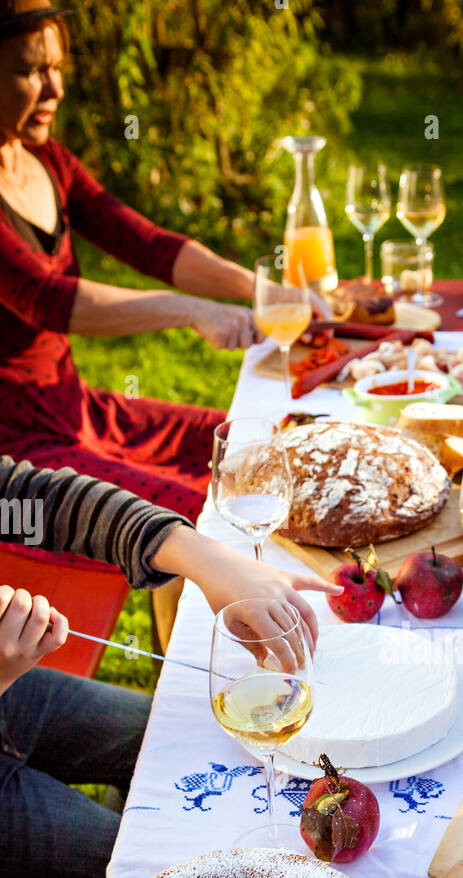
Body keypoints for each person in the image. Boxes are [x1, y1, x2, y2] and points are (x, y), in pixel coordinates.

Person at [0, 452, 339, 878]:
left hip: (14, 697)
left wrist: (209, 560)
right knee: (159, 873)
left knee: (166, 745)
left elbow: (41, 503)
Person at [0, 0, 265, 530]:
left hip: (73, 408)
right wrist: (191, 311)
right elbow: (50, 301)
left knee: (253, 450)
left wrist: (262, 289)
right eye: (31, 71)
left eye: (57, 68)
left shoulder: (47, 158)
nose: (54, 89)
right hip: (14, 470)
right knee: (195, 517)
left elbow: (147, 245)